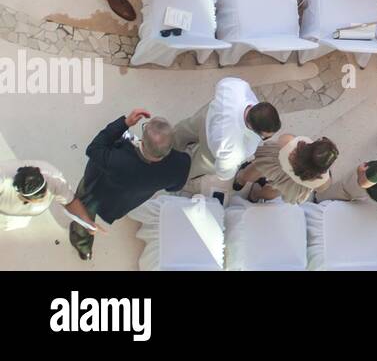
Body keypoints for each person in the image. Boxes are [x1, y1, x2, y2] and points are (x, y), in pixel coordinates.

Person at [69, 109, 190, 260]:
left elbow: (93, 149)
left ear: (144, 142)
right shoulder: (180, 164)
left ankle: (83, 244)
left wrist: (124, 123)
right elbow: (175, 187)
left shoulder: (117, 159)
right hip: (122, 203)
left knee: (83, 212)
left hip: (97, 190)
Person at [171, 77, 280, 182]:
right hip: (208, 151)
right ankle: (174, 174)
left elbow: (223, 83)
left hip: (206, 116)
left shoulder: (237, 87)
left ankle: (170, 144)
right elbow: (224, 173)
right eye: (264, 137)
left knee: (184, 130)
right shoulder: (235, 149)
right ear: (251, 127)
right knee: (193, 167)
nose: (265, 139)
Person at [234, 136, 338, 205]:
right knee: (274, 191)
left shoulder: (292, 145)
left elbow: (282, 139)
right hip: (291, 184)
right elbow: (321, 188)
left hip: (276, 164)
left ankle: (240, 180)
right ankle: (255, 195)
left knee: (257, 169)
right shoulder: (322, 180)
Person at [1, 161, 95, 233]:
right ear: (21, 196)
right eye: (37, 199)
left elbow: (70, 201)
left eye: (45, 191)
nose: (43, 198)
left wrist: (87, 221)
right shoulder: (3, 181)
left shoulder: (54, 178)